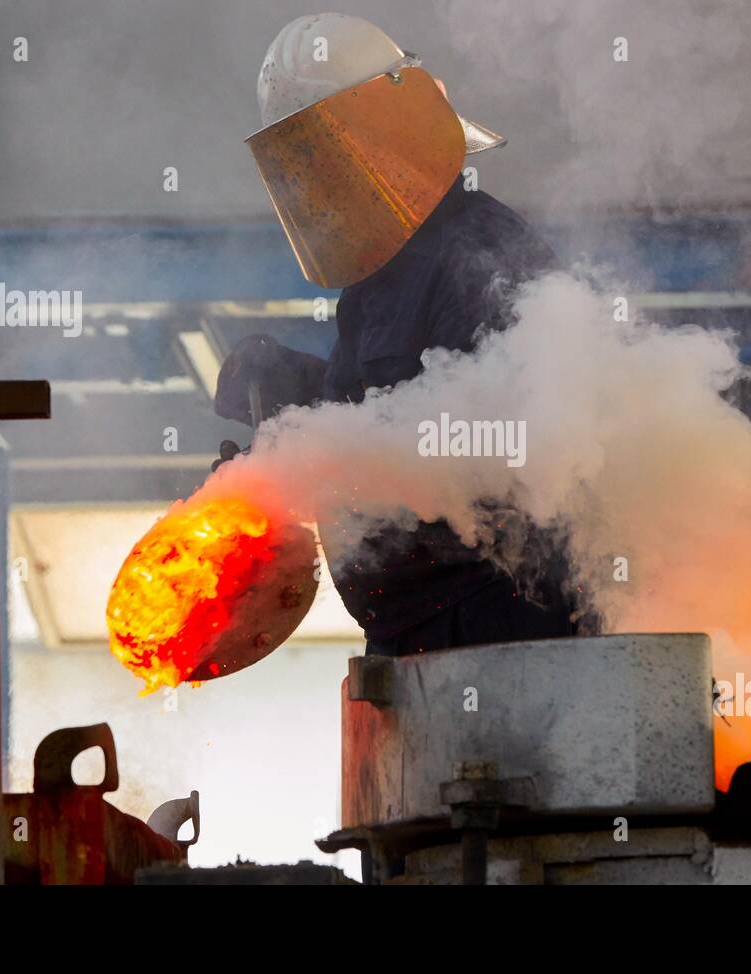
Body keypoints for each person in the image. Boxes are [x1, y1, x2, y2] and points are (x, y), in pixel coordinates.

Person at [215, 13, 578, 656]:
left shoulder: (483, 254)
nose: (326, 177)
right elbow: (372, 412)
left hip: (507, 635)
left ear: (393, 129)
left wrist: (309, 463)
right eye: (309, 160)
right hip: (417, 643)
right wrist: (288, 400)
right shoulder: (375, 280)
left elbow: (488, 457)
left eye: (334, 149)